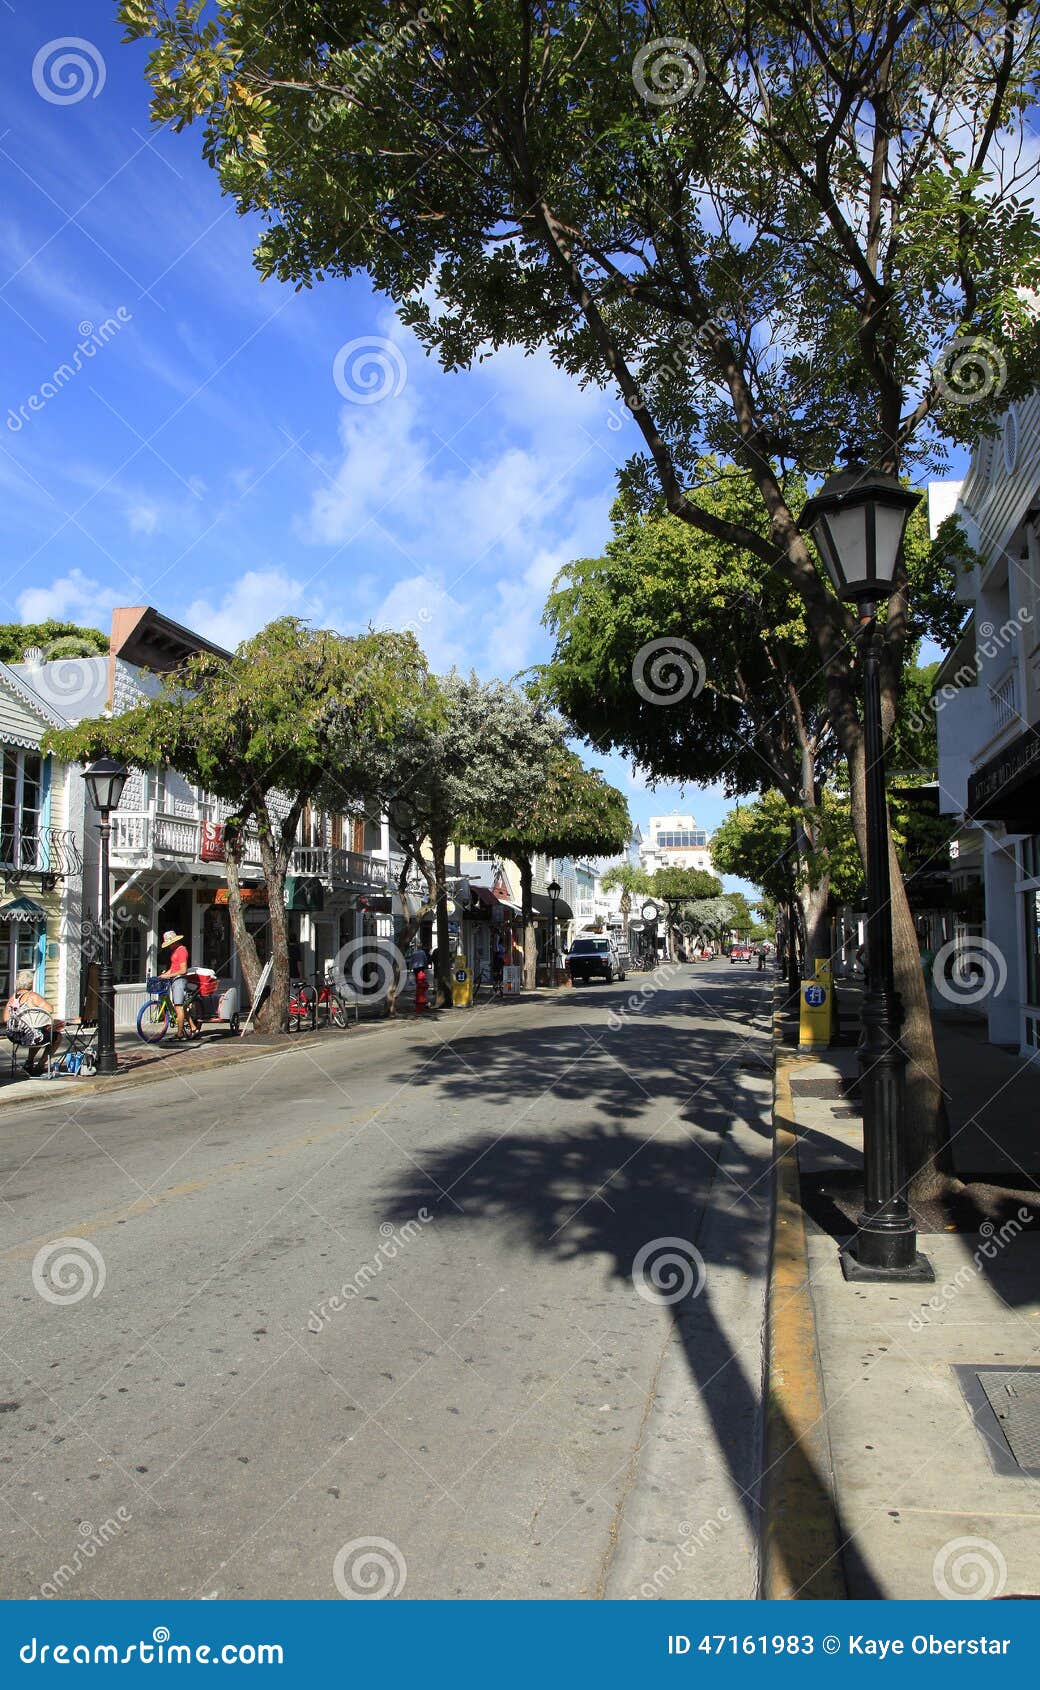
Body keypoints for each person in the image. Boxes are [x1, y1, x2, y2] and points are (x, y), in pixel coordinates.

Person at [5, 970, 62, 1076]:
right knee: (56, 1036)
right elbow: (50, 1009)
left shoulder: (13, 998)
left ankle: (29, 1063)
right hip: (31, 1036)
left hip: (16, 1036)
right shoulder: (32, 996)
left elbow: (5, 1019)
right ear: (31, 983)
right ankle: (40, 1065)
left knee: (37, 1032)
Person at [159, 928, 198, 1039]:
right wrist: (164, 974)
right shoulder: (174, 952)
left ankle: (180, 1034)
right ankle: (193, 1027)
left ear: (175, 941)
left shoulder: (181, 950)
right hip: (174, 980)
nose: (169, 946)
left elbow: (183, 970)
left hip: (180, 980)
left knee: (178, 1007)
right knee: (181, 1007)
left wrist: (168, 975)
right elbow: (172, 968)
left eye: (170, 943)